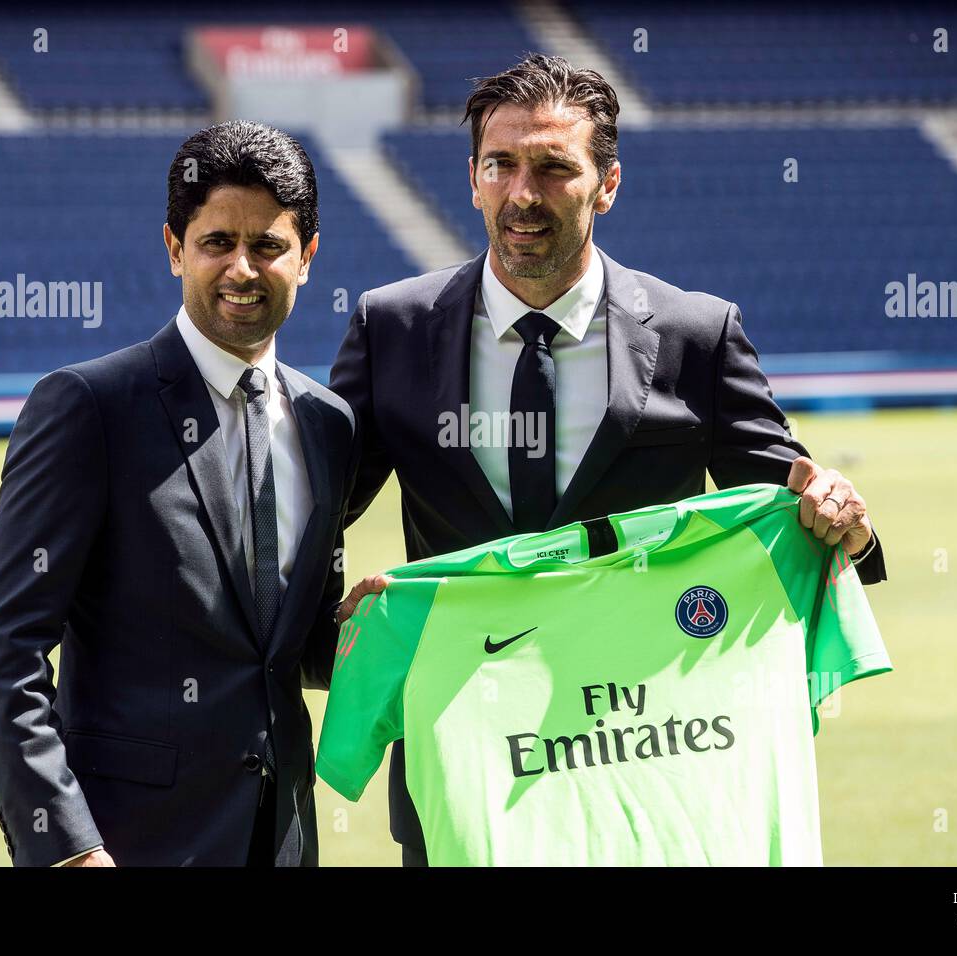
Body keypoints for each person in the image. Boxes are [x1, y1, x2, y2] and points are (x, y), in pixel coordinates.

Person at [329, 54, 886, 867]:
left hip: (653, 759)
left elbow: (794, 507)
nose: (525, 193)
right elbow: (311, 510)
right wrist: (337, 622)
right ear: (474, 180)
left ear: (607, 183)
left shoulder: (697, 334)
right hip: (467, 763)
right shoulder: (394, 328)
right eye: (503, 166)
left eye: (555, 168)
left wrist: (846, 521)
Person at [0, 121, 358, 866]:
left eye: (268, 246)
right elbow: (3, 646)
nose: (243, 268)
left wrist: (394, 626)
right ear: (176, 247)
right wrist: (68, 846)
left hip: (282, 840)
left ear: (306, 258)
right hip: (127, 845)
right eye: (217, 243)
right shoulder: (90, 407)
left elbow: (292, 651)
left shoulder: (327, 424)